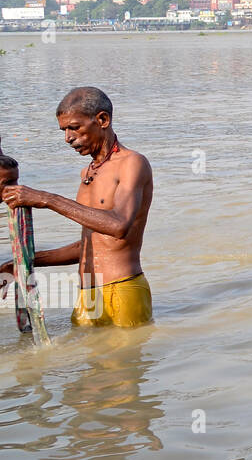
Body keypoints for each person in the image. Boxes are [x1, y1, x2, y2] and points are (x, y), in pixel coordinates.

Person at [0, 87, 154, 328]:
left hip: (122, 289)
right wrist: (22, 262)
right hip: (88, 295)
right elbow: (90, 245)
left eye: (75, 127)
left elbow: (118, 226)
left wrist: (45, 199)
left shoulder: (132, 163)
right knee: (85, 362)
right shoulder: (87, 173)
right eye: (64, 130)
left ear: (102, 120)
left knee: (123, 364)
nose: (68, 138)